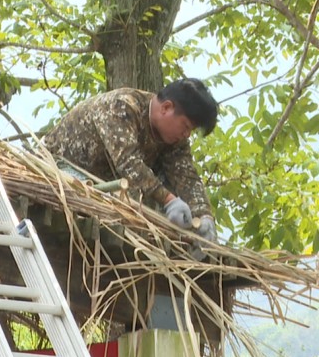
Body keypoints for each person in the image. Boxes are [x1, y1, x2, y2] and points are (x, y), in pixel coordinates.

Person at [42, 78, 219, 240]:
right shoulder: (121, 106)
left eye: (191, 131)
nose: (186, 135)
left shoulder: (175, 139)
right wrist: (169, 200)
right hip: (60, 173)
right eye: (185, 126)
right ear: (166, 108)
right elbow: (128, 163)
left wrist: (204, 216)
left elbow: (186, 176)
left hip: (103, 189)